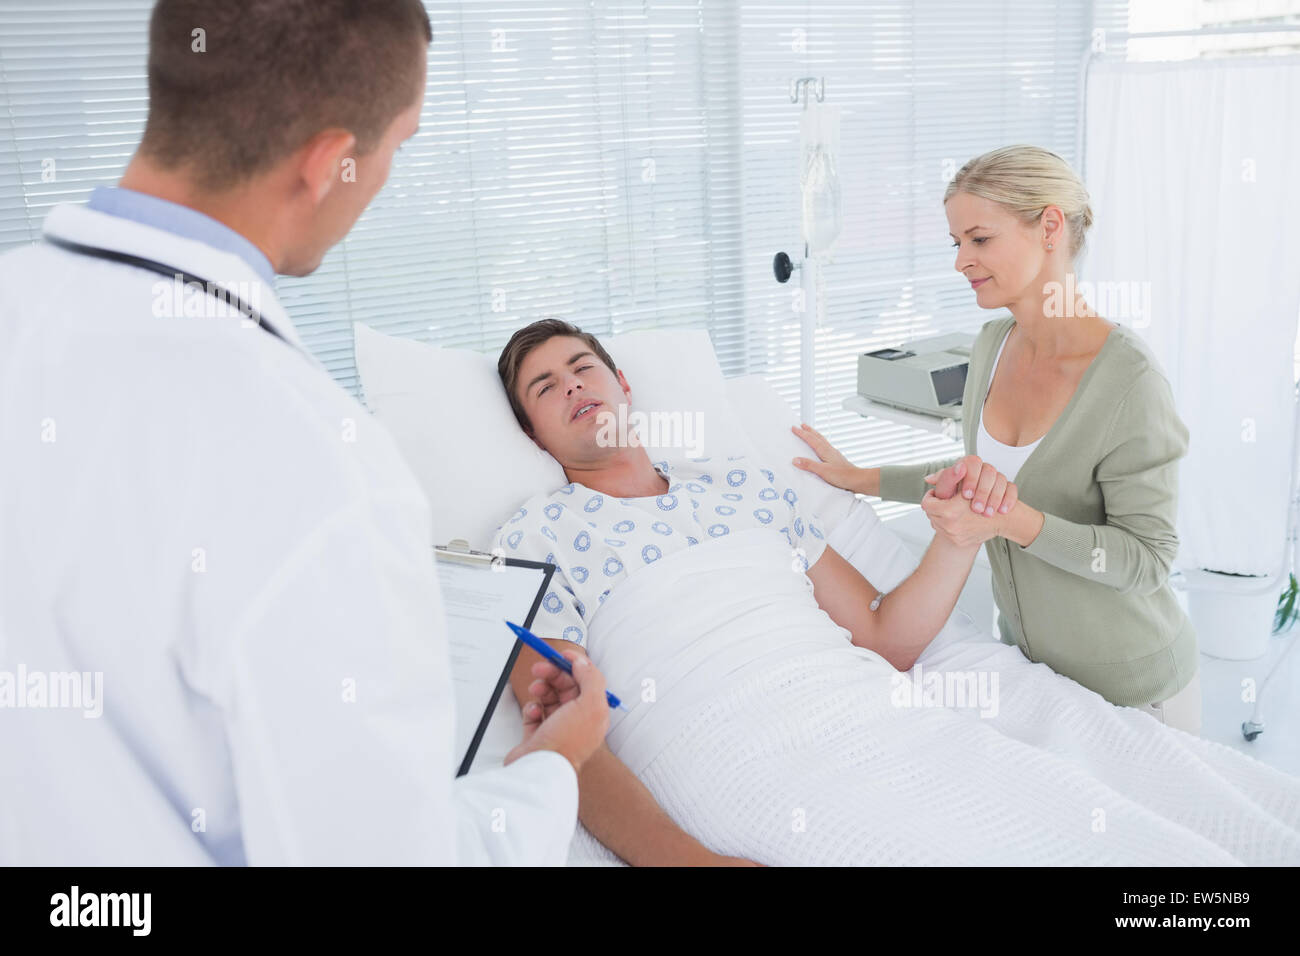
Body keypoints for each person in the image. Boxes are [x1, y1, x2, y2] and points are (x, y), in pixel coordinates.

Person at [0, 0, 607, 866]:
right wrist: (552, 766)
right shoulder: (319, 466)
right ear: (330, 163)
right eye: (398, 146)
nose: (391, 174)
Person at [490, 318, 1300, 866]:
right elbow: (563, 731)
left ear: (622, 382)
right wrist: (683, 858)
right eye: (543, 387)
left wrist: (955, 540)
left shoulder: (747, 485)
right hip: (735, 752)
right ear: (532, 434)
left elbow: (884, 641)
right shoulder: (535, 536)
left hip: (868, 714)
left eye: (581, 366)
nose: (571, 386)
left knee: (1122, 839)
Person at [794, 145, 1201, 733]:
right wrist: (864, 479)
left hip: (1134, 690)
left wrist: (1008, 521)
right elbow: (986, 470)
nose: (961, 260)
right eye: (955, 243)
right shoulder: (992, 343)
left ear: (1050, 228)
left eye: (979, 239)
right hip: (1033, 673)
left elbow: (1147, 561)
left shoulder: (1129, 380)